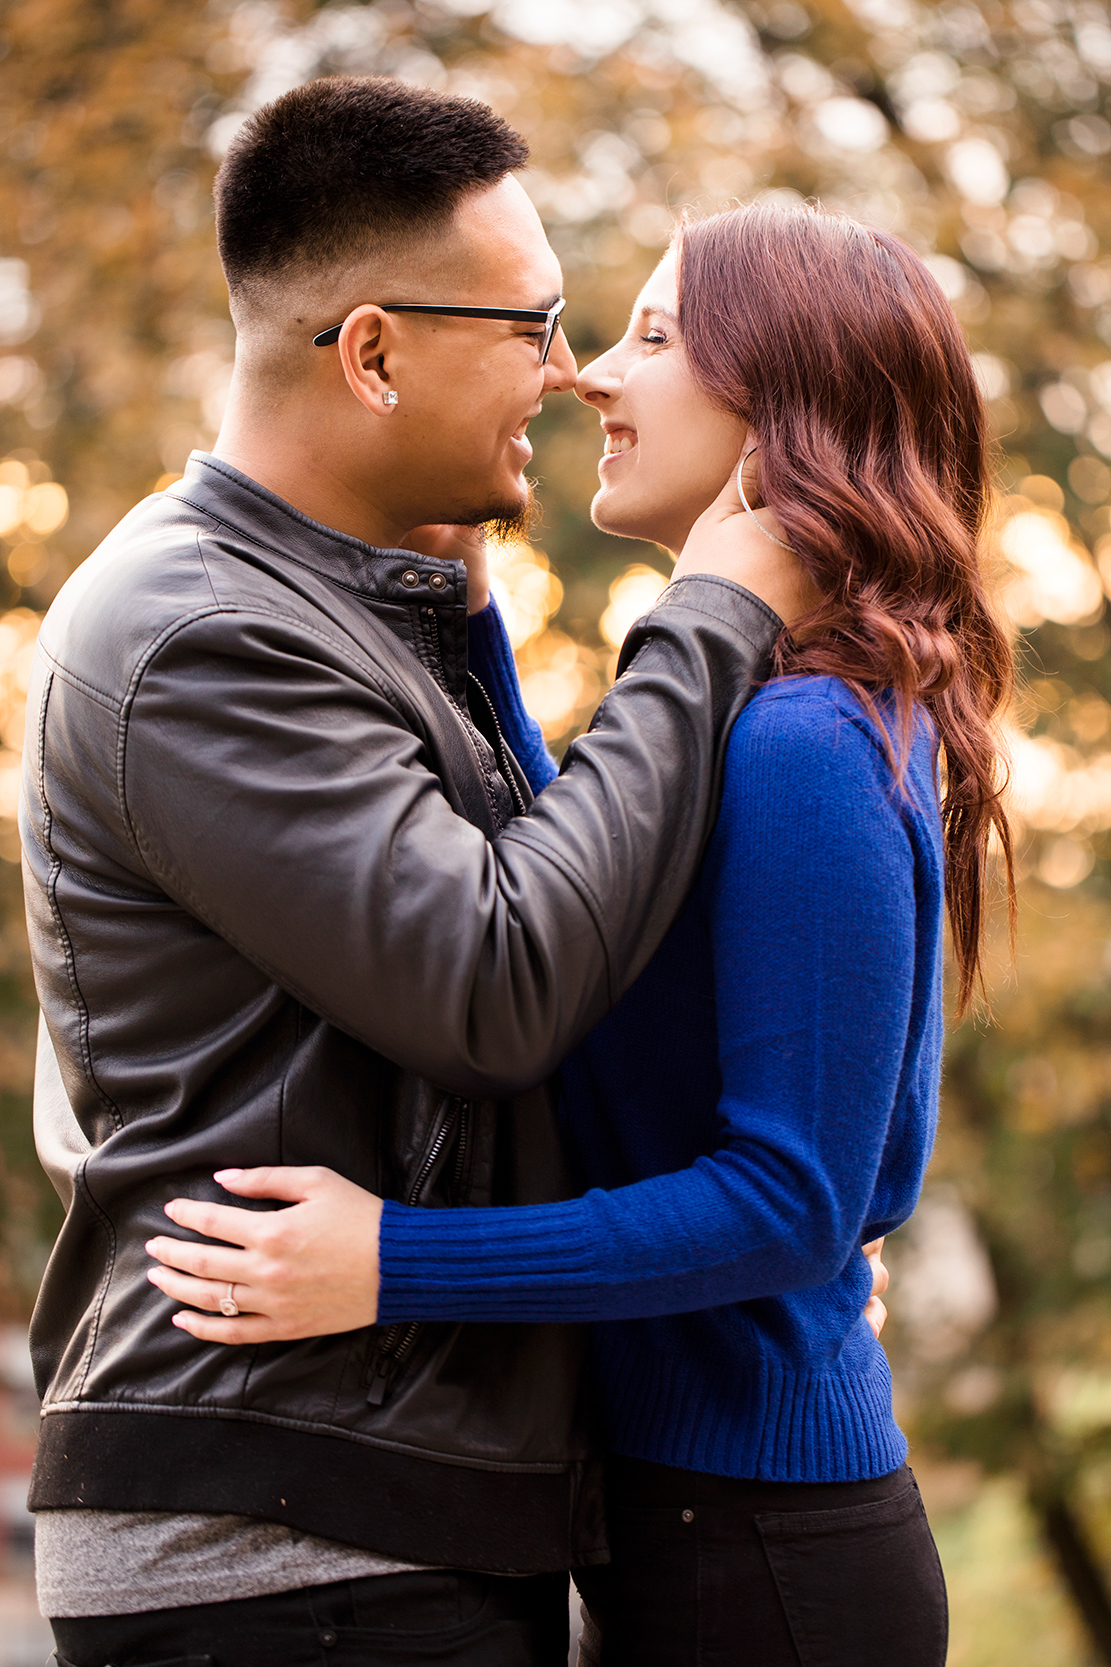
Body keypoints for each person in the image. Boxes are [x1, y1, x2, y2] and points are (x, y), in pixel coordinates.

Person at [150, 202, 1016, 1666]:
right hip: (694, 1523)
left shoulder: (808, 738)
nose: (590, 376)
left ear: (780, 411)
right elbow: (597, 925)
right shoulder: (779, 713)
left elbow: (798, 1198)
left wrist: (391, 1261)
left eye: (656, 337)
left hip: (762, 1562)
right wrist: (455, 595)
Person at [24, 79, 811, 1667]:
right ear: (374, 352)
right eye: (532, 323)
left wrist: (766, 1243)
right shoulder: (200, 640)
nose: (572, 369)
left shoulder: (358, 616)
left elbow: (555, 977)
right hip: (278, 1548)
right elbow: (499, 988)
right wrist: (711, 621)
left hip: (374, 1517)